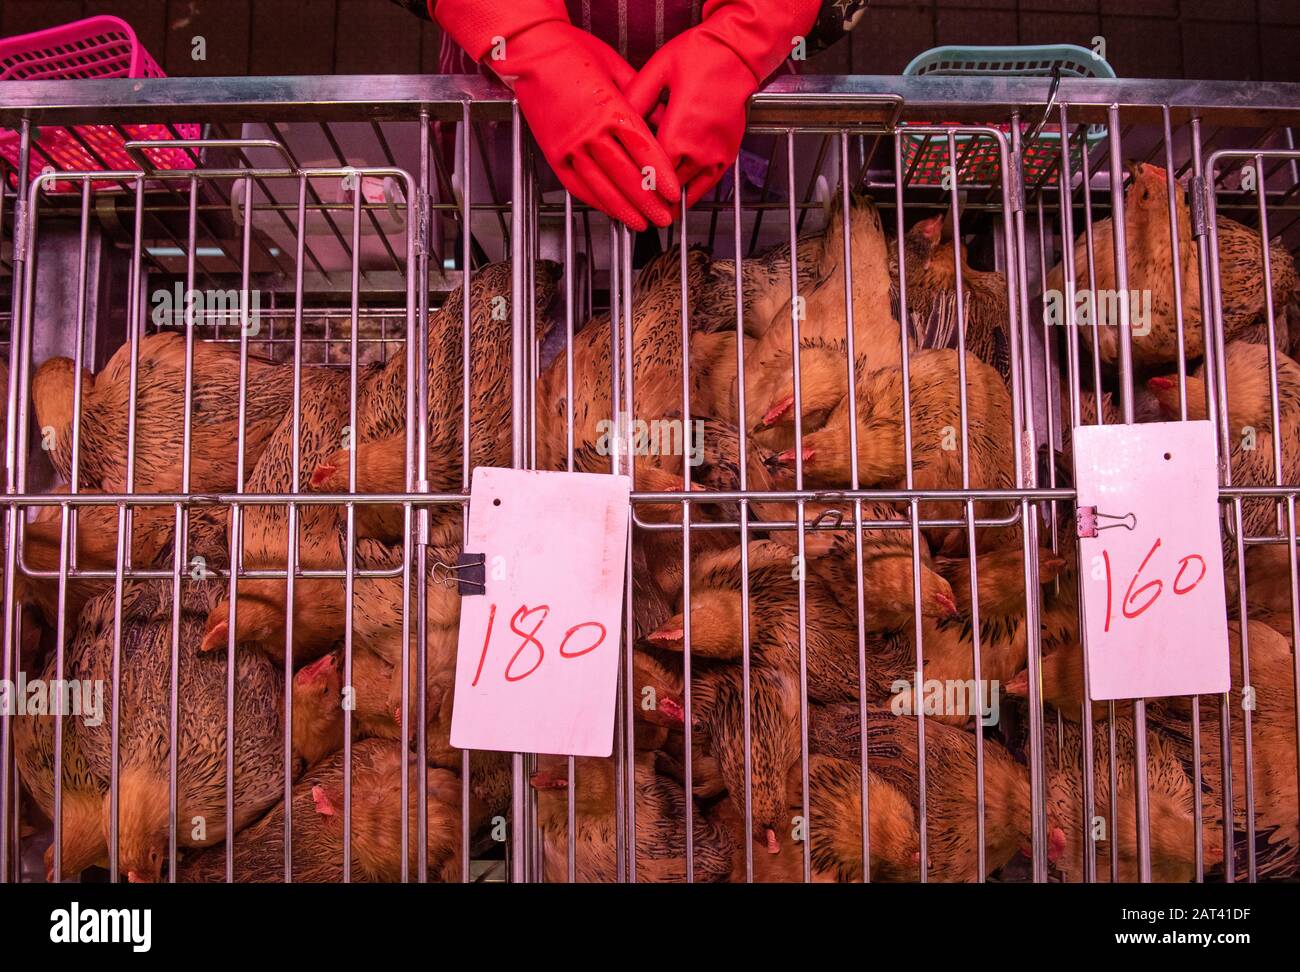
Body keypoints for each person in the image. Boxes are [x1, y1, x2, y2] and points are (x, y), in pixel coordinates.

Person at [394, 0, 867, 229]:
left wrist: (748, 34)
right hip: (512, 101)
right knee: (509, 264)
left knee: (742, 272)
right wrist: (520, 35)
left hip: (739, 108)